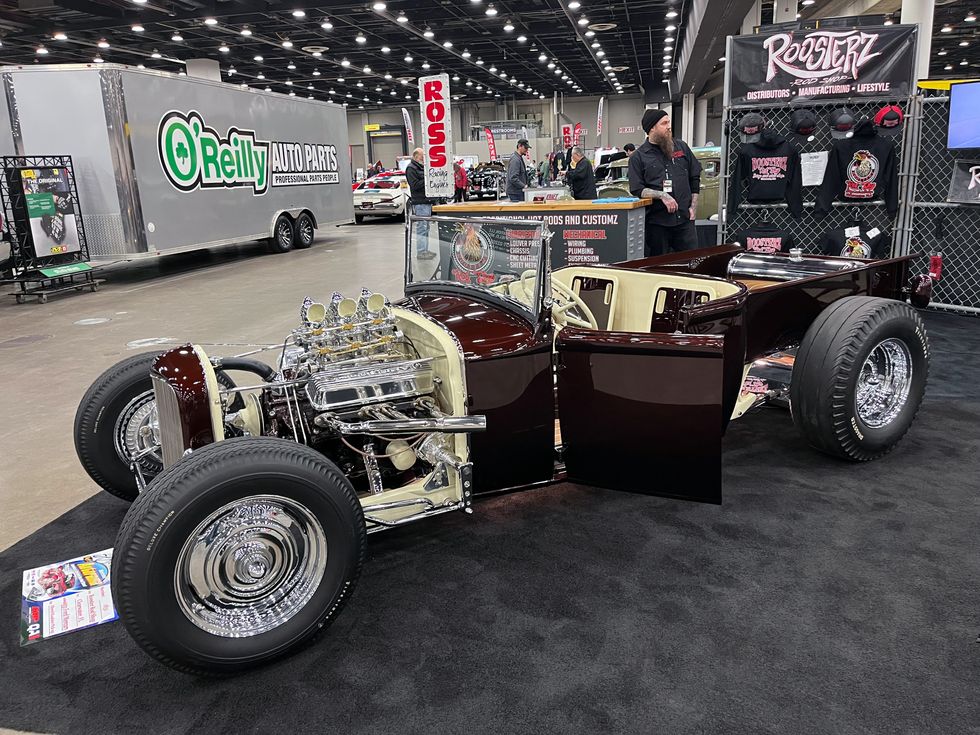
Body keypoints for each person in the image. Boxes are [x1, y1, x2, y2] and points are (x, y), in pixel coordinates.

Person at [628, 109, 701, 256]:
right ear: (652, 128)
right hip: (658, 224)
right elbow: (637, 189)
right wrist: (662, 195)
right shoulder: (638, 157)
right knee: (659, 266)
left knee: (692, 263)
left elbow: (694, 176)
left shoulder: (681, 147)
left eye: (669, 122)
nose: (669, 126)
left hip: (684, 221)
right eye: (664, 123)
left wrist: (693, 206)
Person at [406, 148, 437, 259]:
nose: (424, 158)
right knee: (422, 227)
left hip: (426, 201)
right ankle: (421, 252)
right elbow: (414, 185)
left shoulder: (421, 167)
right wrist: (427, 179)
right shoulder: (411, 168)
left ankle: (425, 250)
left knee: (426, 227)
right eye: (422, 156)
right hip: (420, 202)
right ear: (416, 156)